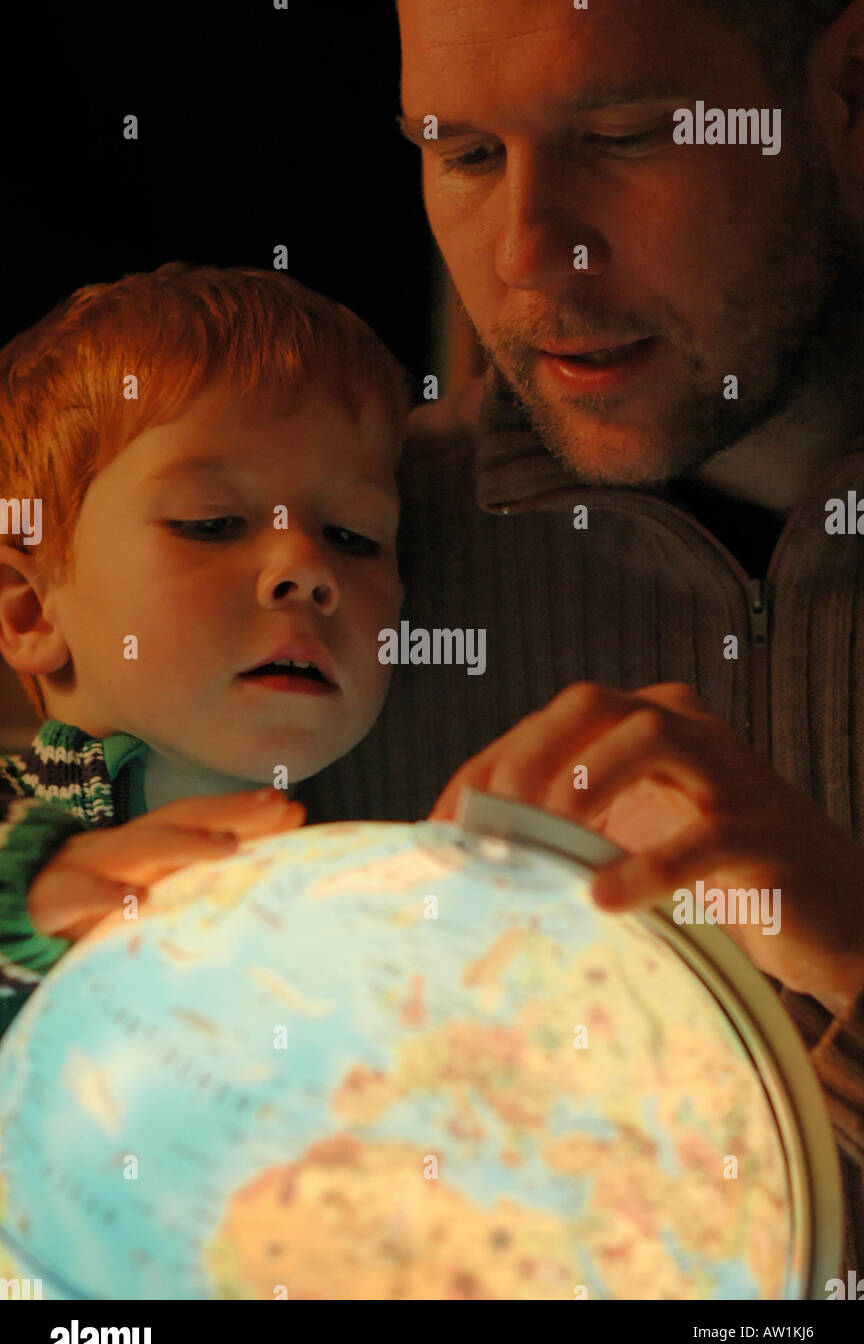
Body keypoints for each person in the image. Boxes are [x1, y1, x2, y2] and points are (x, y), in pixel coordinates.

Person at [299, 0, 864, 1278]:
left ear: (851, 91)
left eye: (625, 133)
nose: (528, 258)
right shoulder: (330, 569)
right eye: (464, 155)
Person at [0, 262, 409, 1035]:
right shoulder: (20, 832)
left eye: (354, 537)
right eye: (211, 522)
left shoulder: (392, 888)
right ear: (29, 612)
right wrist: (35, 891)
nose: (306, 570)